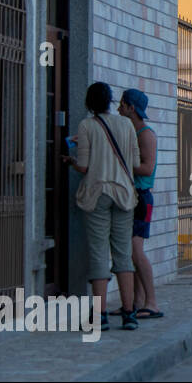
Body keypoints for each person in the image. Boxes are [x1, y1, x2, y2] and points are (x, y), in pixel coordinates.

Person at [63, 82, 140, 330]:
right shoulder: (127, 124)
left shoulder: (86, 126)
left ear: (89, 102)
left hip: (96, 194)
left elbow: (84, 167)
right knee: (123, 254)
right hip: (124, 195)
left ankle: (100, 315)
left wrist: (71, 161)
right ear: (109, 101)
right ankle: (129, 313)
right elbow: (135, 161)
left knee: (98, 252)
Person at [119, 89, 162, 319]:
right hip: (132, 197)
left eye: (122, 105)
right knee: (131, 253)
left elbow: (147, 168)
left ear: (131, 108)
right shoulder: (133, 133)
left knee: (137, 252)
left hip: (142, 198)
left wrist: (121, 162)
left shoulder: (146, 135)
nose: (118, 109)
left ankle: (152, 302)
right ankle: (136, 302)